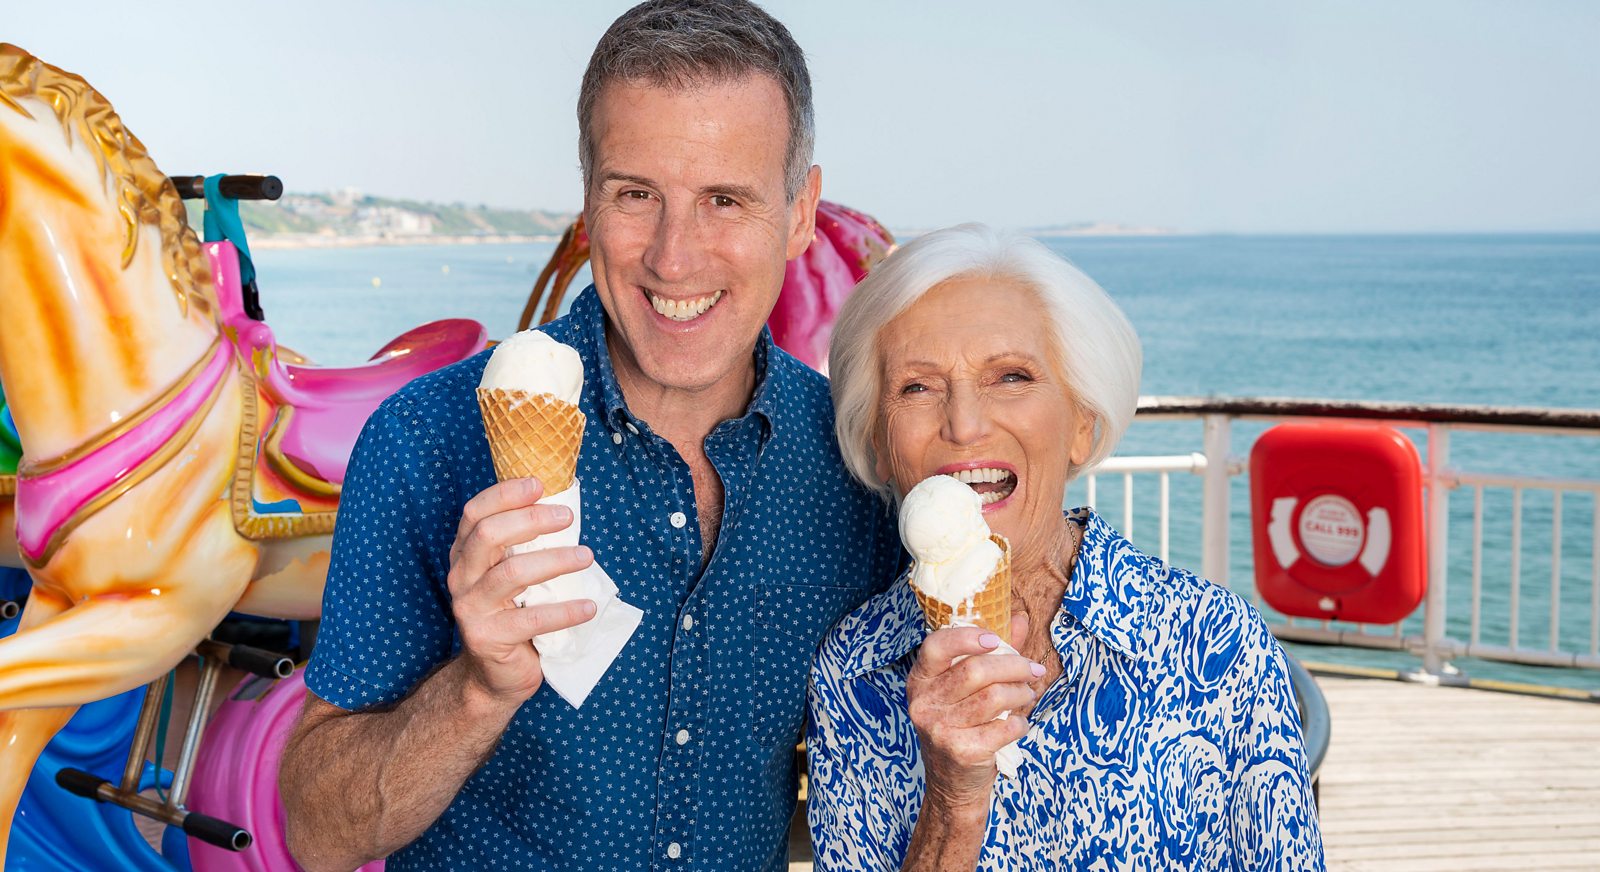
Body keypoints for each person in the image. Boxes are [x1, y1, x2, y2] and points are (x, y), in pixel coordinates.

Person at [279, 3, 901, 869]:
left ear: (800, 211)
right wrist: (476, 691)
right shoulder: (426, 439)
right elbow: (316, 832)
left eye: (725, 199)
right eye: (636, 194)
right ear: (587, 204)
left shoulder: (856, 463)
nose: (674, 257)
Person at [807, 224, 1325, 870]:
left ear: (1080, 428)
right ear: (880, 446)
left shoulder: (1218, 644)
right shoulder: (853, 673)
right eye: (918, 386)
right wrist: (953, 803)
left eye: (1011, 377)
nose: (964, 423)